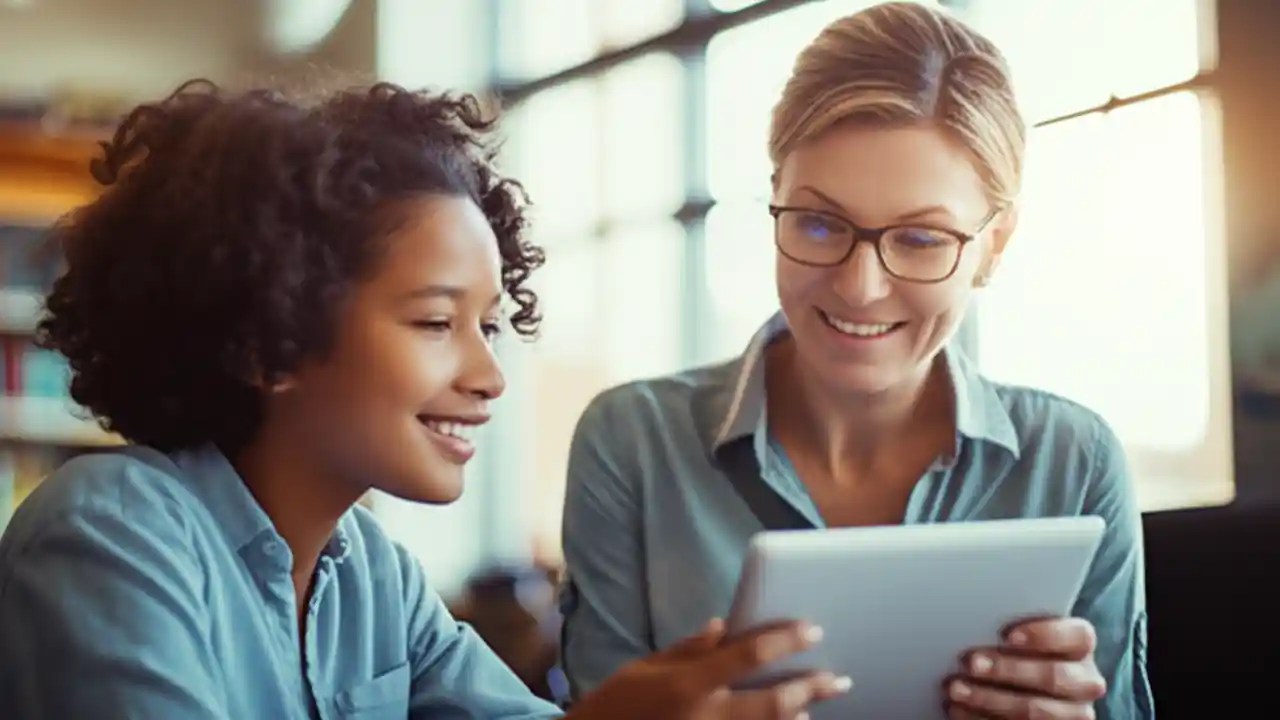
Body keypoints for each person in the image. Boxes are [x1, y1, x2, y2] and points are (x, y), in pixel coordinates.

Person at [0, 80, 853, 719]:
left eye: (490, 323)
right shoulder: (110, 530)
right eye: (437, 321)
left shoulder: (370, 575)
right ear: (269, 333)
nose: (490, 375)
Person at [559, 3, 1153, 719]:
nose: (860, 287)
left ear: (994, 245)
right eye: (818, 222)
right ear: (772, 198)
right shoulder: (634, 443)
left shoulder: (1073, 462)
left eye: (923, 240)